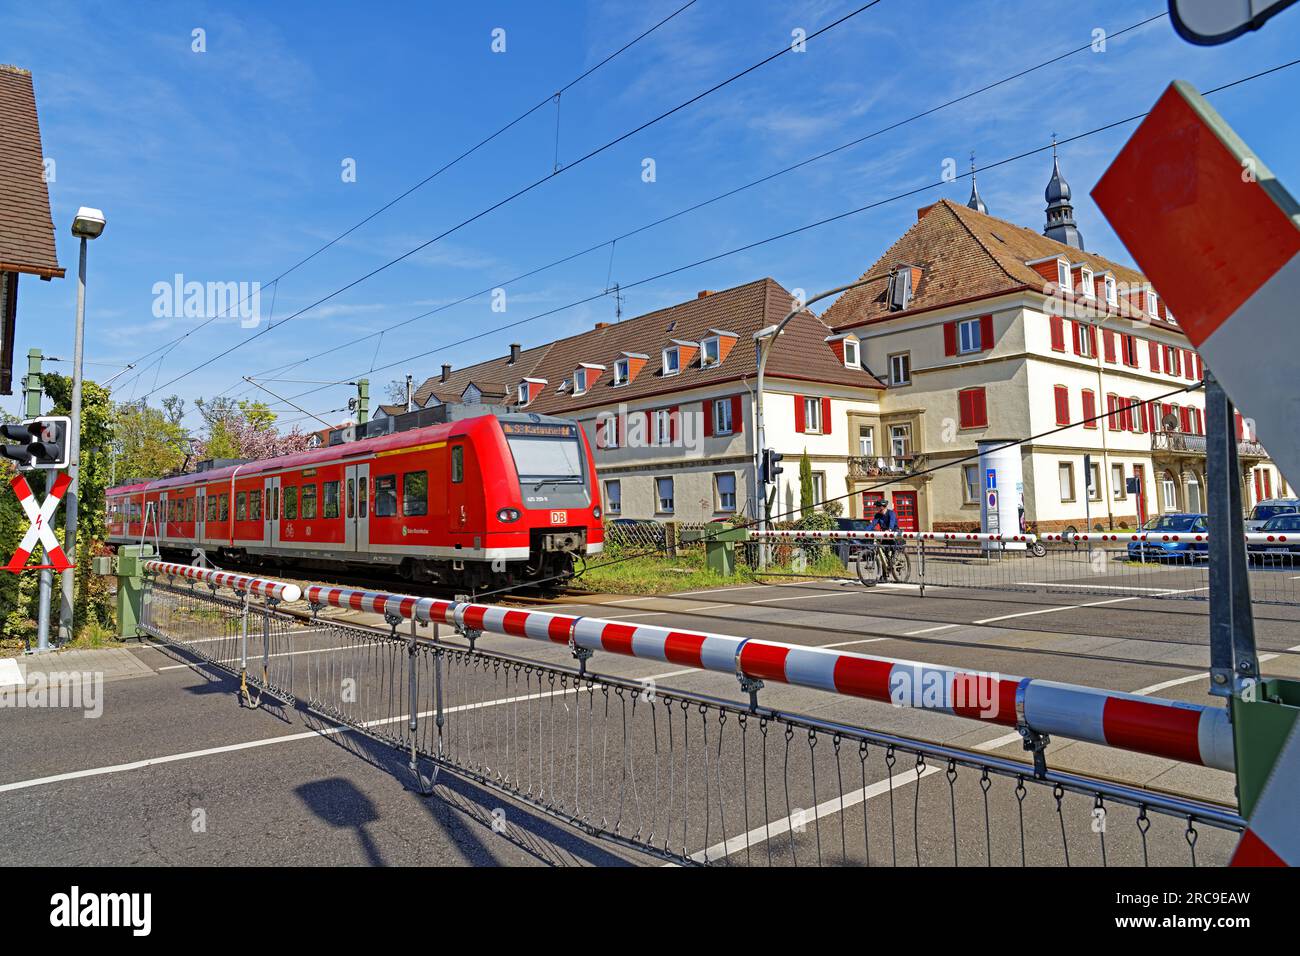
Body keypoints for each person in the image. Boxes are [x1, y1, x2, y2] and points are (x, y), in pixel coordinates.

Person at [867, 500, 901, 580]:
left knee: (892, 549)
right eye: (877, 506)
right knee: (883, 555)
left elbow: (892, 522)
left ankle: (893, 559)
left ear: (883, 506)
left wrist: (889, 529)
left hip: (893, 533)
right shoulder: (878, 515)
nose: (877, 508)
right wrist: (865, 532)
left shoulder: (891, 513)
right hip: (884, 535)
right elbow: (872, 524)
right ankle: (884, 575)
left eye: (878, 506)